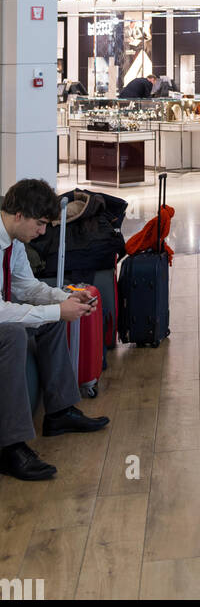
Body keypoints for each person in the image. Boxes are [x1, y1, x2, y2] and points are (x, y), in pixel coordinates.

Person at [0, 178, 110, 481]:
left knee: (49, 320)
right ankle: (10, 448)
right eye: (40, 223)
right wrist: (56, 309)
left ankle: (60, 412)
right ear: (19, 215)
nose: (43, 232)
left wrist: (65, 298)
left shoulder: (14, 242)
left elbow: (26, 286)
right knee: (11, 334)